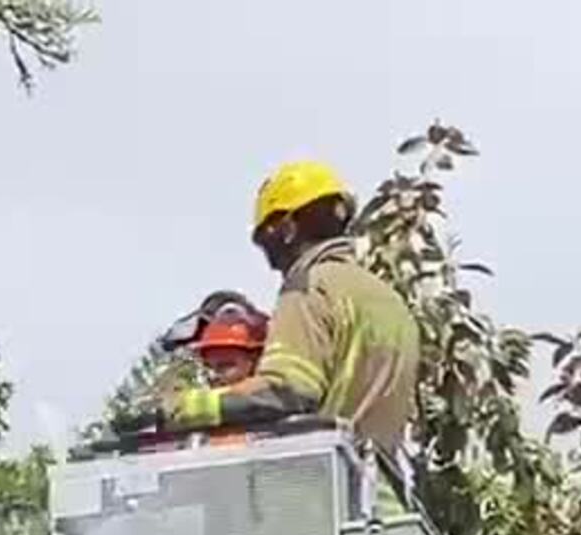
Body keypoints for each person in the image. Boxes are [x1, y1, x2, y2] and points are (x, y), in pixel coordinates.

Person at [154, 161, 422, 459]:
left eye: (265, 240)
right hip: (383, 495)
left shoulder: (309, 287)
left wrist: (180, 409)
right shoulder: (389, 300)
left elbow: (288, 390)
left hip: (328, 491)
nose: (269, 260)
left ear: (287, 228)